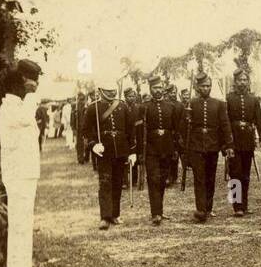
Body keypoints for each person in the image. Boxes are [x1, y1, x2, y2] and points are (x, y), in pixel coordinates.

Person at [0, 59, 45, 267]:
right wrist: (32, 96)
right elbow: (26, 119)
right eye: (31, 81)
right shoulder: (11, 107)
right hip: (18, 174)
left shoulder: (16, 106)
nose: (35, 86)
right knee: (19, 224)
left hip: (24, 172)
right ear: (20, 83)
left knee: (23, 223)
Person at [81, 80, 137, 230]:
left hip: (121, 150)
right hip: (103, 150)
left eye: (113, 90)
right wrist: (93, 145)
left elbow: (130, 130)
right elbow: (85, 130)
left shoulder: (123, 106)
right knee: (105, 182)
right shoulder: (93, 108)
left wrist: (132, 151)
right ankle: (105, 217)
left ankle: (115, 214)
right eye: (108, 90)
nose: (112, 93)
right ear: (101, 89)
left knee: (118, 182)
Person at [179, 71, 233, 222]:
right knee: (199, 178)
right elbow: (182, 128)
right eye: (203, 86)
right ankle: (201, 209)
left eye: (208, 86)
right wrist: (187, 118)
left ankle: (208, 207)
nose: (206, 88)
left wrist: (228, 144)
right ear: (197, 87)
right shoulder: (190, 104)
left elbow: (225, 125)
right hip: (196, 146)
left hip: (212, 145)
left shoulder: (219, 104)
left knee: (210, 177)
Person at [140, 75, 183, 225]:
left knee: (163, 179)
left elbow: (176, 129)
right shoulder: (144, 107)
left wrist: (176, 148)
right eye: (155, 88)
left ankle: (160, 210)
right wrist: (140, 151)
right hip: (151, 148)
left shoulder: (170, 107)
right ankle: (155, 213)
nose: (158, 90)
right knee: (153, 179)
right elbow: (139, 131)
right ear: (150, 89)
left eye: (160, 87)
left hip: (167, 147)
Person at [225, 70, 261, 216]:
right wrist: (227, 143)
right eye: (240, 80)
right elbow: (225, 123)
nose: (242, 82)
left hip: (247, 141)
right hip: (234, 141)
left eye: (245, 80)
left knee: (245, 174)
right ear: (235, 81)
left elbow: (260, 120)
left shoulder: (253, 99)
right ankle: (237, 206)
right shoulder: (229, 99)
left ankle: (245, 204)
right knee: (235, 173)